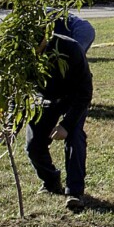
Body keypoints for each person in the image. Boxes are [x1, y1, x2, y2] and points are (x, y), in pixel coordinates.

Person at [26, 32, 93, 212]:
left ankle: (74, 192)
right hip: (46, 99)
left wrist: (66, 125)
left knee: (74, 138)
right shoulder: (22, 54)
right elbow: (17, 91)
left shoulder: (70, 48)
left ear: (45, 38)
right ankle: (50, 181)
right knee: (33, 145)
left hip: (74, 97)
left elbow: (85, 91)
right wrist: (10, 125)